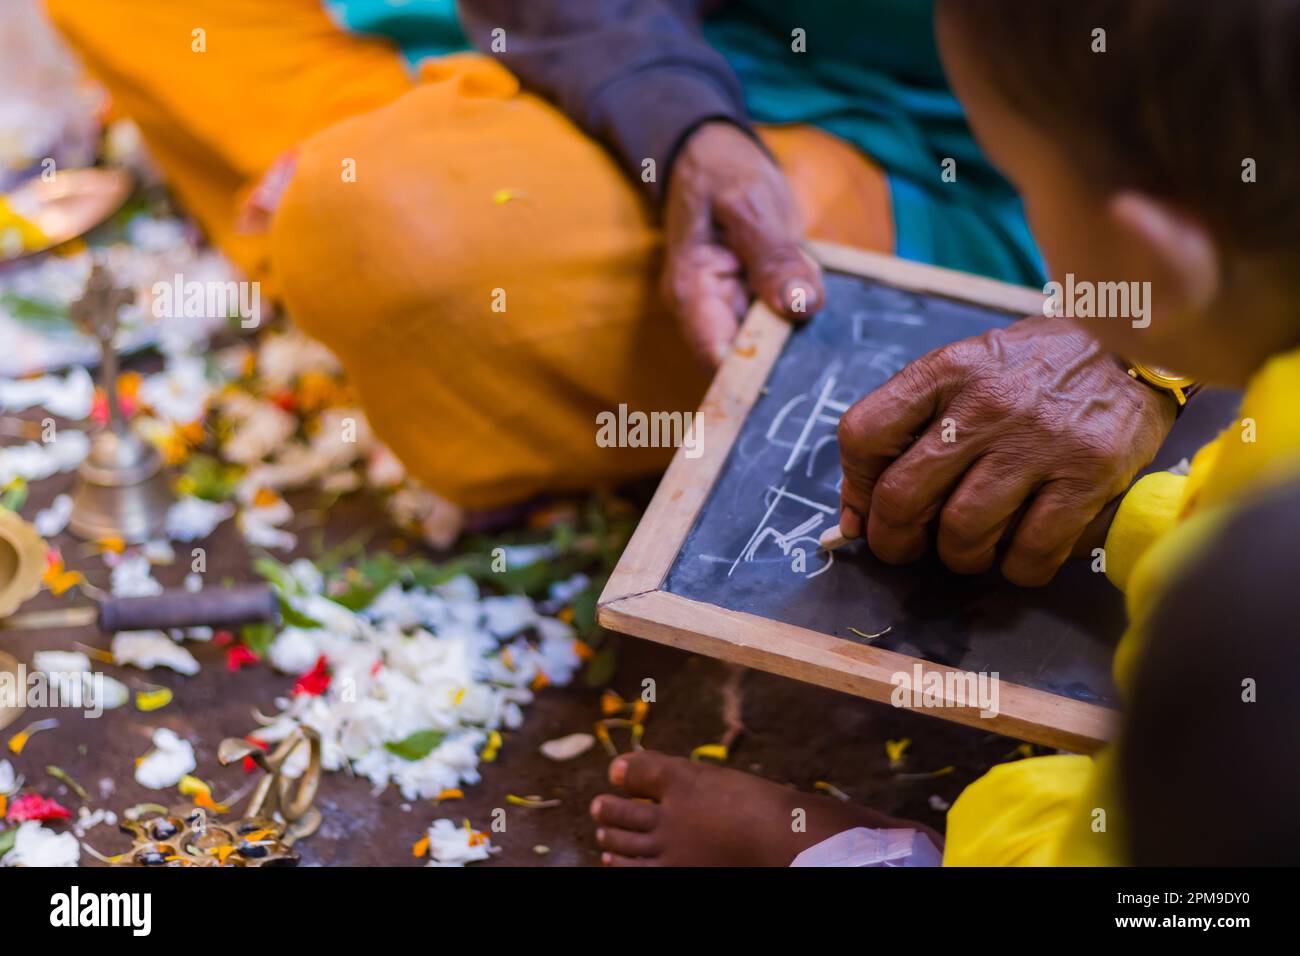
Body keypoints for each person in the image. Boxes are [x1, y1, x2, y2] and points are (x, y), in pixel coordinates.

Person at [45, 1, 1175, 577]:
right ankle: (457, 149)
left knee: (391, 236)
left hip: (1047, 176)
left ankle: (441, 179)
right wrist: (673, 124)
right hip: (700, 54)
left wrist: (1138, 330)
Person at [590, 0, 1300, 865]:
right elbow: (1231, 487)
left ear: (1153, 264)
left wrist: (867, 847)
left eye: (1030, 187)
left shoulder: (1243, 615)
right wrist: (1134, 522)